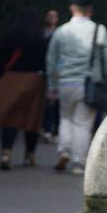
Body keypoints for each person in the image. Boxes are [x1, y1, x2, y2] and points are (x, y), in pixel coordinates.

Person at [46, 0, 107, 176]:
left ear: (72, 8)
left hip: (64, 83)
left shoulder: (61, 31)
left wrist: (52, 85)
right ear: (90, 10)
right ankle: (78, 162)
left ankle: (63, 150)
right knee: (83, 124)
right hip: (88, 83)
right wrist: (102, 76)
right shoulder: (99, 30)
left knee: (65, 118)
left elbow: (52, 60)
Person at [0, 8, 47, 170]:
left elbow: (0, 57)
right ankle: (29, 156)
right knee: (32, 119)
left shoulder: (10, 35)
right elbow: (44, 61)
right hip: (33, 80)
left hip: (12, 78)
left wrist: (3, 75)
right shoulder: (39, 37)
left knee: (10, 118)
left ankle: (6, 153)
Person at [42, 8, 60, 142]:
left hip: (56, 72)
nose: (51, 18)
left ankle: (53, 130)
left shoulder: (60, 34)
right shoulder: (42, 32)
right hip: (43, 70)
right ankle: (47, 128)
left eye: (54, 16)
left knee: (54, 102)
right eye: (49, 16)